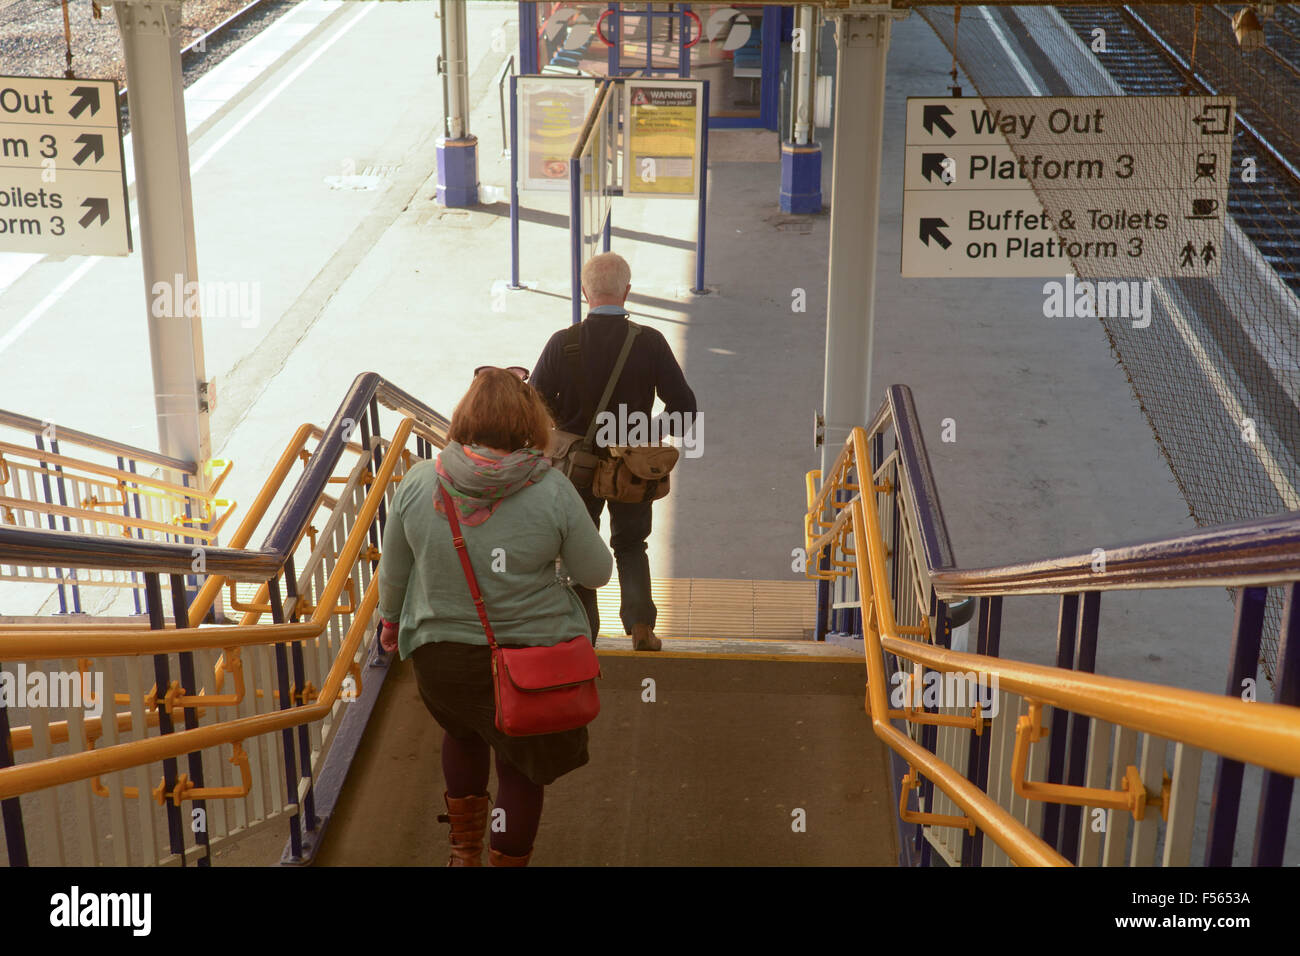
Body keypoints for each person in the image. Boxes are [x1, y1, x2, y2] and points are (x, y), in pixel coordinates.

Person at [376, 367, 613, 867]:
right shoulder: (551, 488)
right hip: (530, 661)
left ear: (466, 417)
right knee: (520, 767)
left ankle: (463, 854)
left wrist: (391, 624)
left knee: (461, 734)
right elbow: (596, 573)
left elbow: (393, 573)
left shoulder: (421, 481)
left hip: (442, 658)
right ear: (531, 422)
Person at [530, 252, 698, 652]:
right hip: (632, 471)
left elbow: (530, 403)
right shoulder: (649, 342)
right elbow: (685, 410)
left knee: (577, 545)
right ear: (627, 291)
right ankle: (641, 626)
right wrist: (640, 434)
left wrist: (561, 429)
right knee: (630, 543)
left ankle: (584, 634)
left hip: (575, 470)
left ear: (584, 291)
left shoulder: (563, 343)